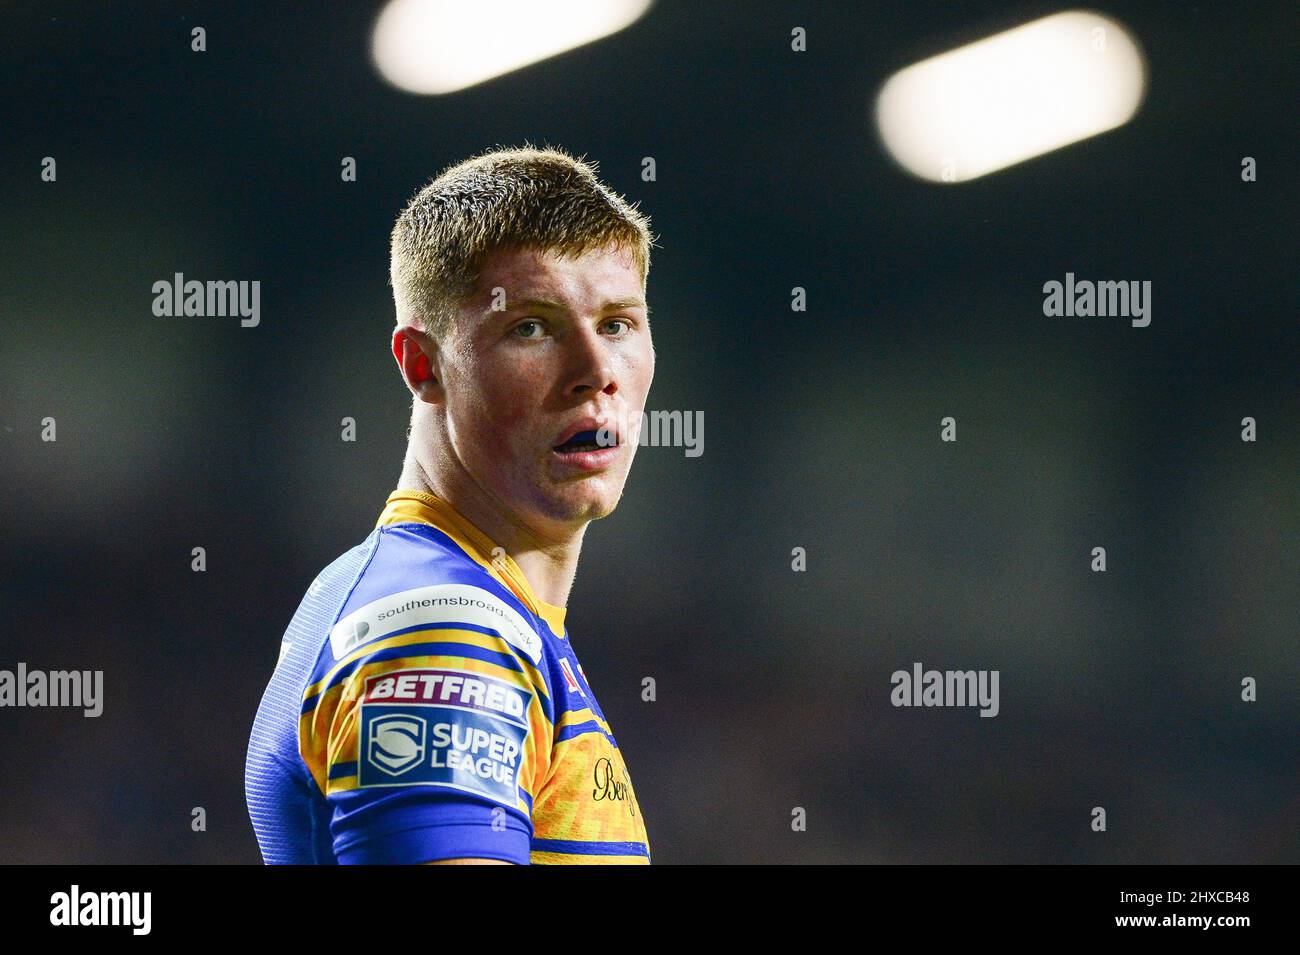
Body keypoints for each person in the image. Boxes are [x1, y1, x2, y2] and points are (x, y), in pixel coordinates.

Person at [245, 145, 655, 864]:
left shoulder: (429, 595)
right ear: (423, 365)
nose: (596, 373)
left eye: (617, 324)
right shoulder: (447, 629)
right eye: (531, 326)